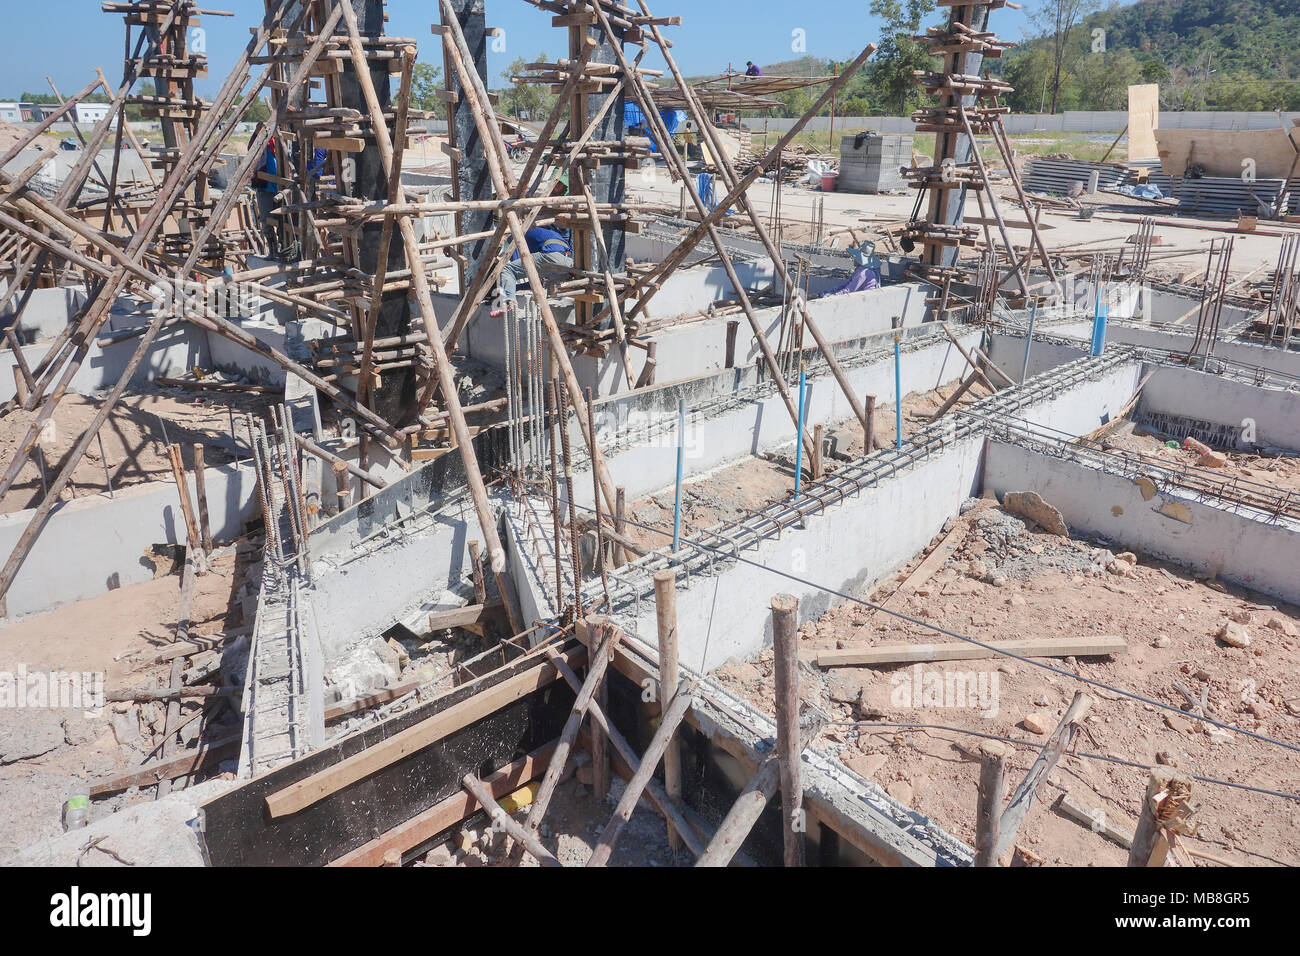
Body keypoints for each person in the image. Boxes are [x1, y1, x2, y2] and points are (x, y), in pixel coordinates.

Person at [492, 227, 574, 313]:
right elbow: (536, 282)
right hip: (568, 260)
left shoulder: (515, 233)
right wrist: (512, 288)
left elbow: (516, 264)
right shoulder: (540, 232)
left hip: (550, 256)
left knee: (508, 269)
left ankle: (509, 304)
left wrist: (506, 290)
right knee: (546, 283)